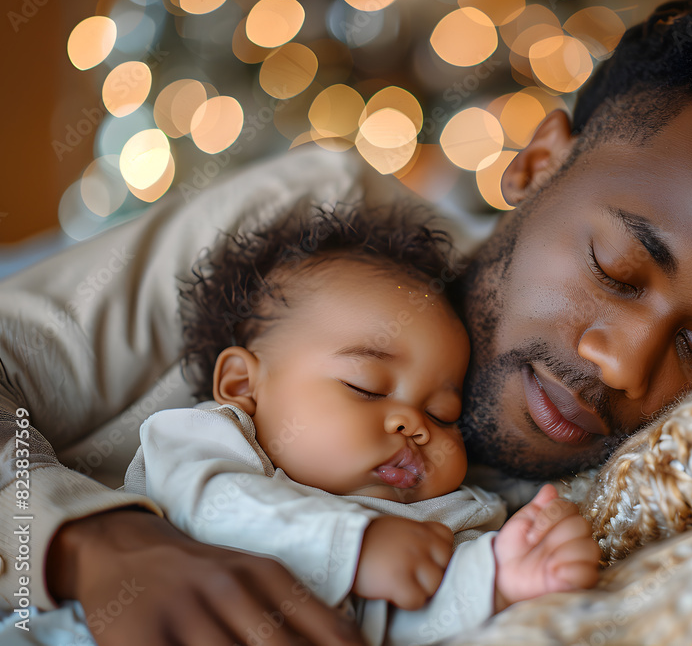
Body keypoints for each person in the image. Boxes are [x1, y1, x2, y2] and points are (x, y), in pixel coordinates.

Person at [0, 0, 692, 646]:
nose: (622, 364)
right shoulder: (305, 235)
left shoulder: (656, 488)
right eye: (615, 269)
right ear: (534, 168)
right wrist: (98, 543)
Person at [33, 202, 599, 646]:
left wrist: (496, 578)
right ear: (242, 385)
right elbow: (211, 507)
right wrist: (353, 546)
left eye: (442, 414)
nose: (414, 425)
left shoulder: (438, 519)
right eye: (366, 388)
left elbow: (395, 624)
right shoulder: (205, 444)